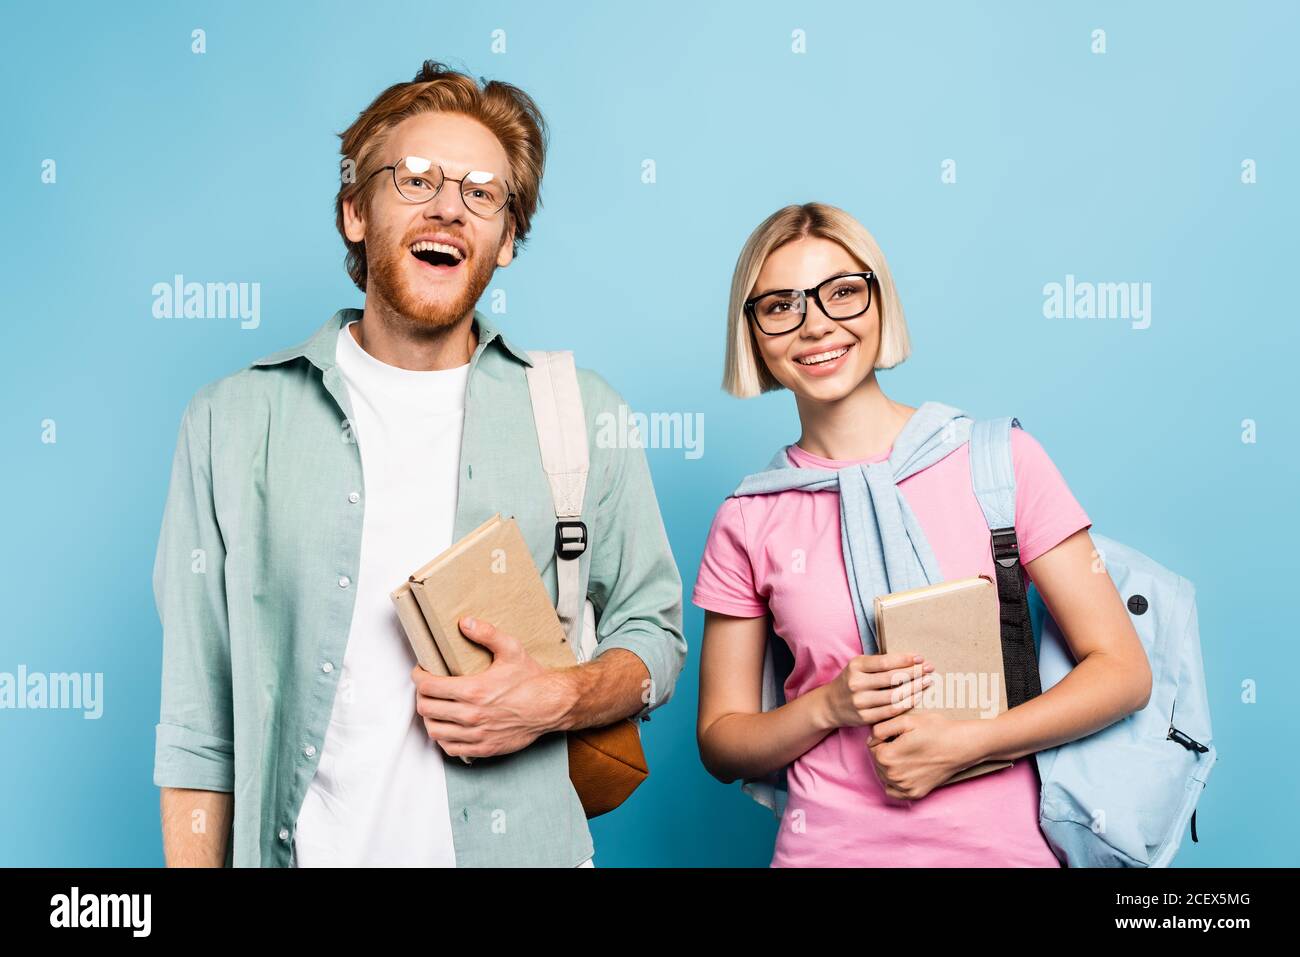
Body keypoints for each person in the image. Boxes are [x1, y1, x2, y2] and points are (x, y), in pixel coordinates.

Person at [151, 61, 685, 867]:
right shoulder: (231, 421)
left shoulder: (579, 412)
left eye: (481, 192)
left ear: (506, 240)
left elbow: (658, 636)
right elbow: (198, 727)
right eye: (416, 179)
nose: (448, 206)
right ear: (354, 212)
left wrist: (556, 698)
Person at [692, 202, 1152, 867]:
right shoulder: (749, 515)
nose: (816, 324)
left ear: (880, 302)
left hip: (1002, 852)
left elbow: (1123, 670)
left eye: (842, 293)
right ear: (753, 332)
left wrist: (972, 742)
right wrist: (828, 705)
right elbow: (720, 739)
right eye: (781, 305)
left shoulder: (1000, 461)